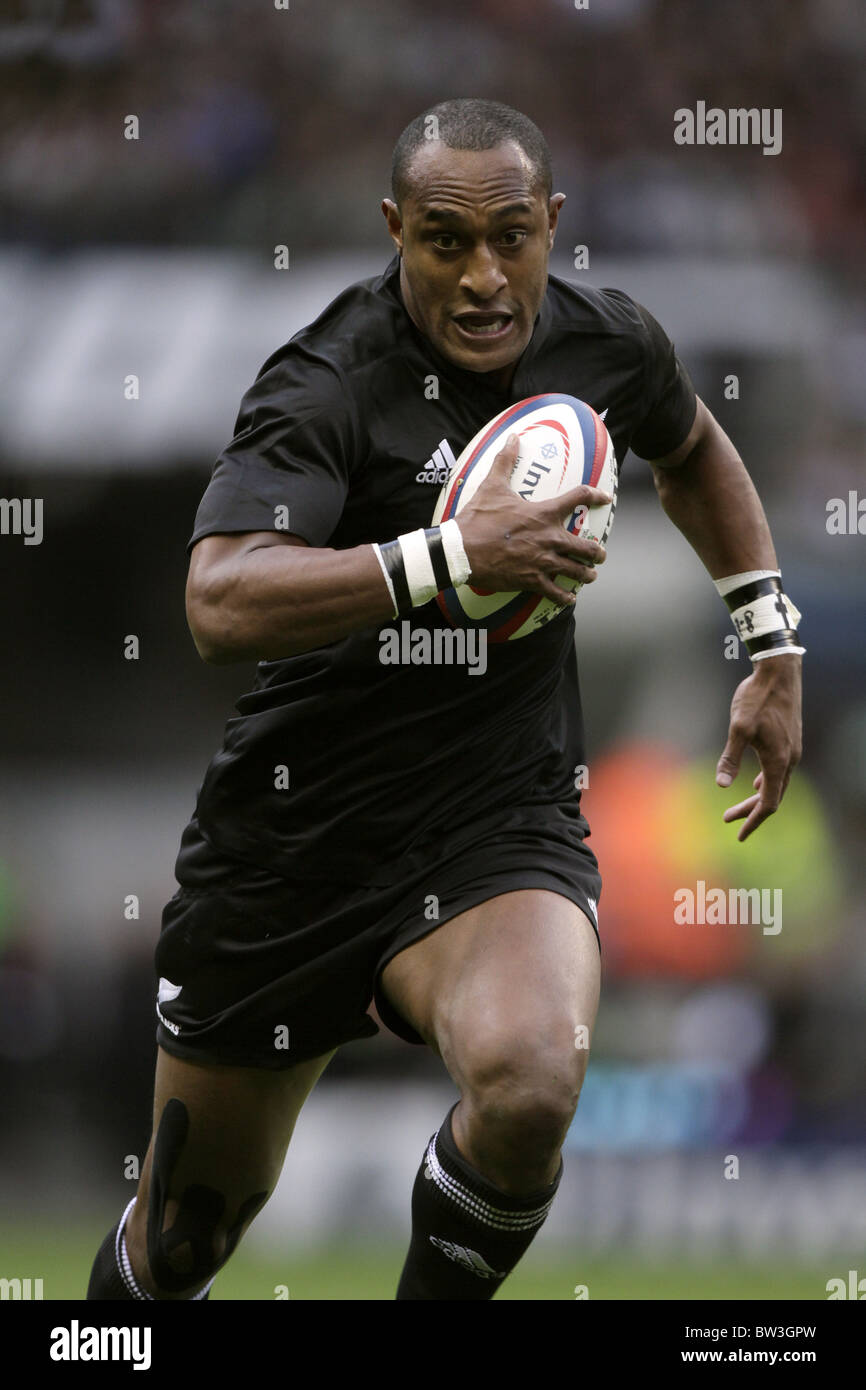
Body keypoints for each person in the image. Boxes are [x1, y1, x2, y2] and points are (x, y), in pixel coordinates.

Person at [86, 98, 802, 1302]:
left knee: (530, 1080)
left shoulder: (605, 344)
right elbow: (219, 599)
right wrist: (448, 555)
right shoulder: (325, 380)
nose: (482, 277)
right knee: (180, 1244)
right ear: (393, 230)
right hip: (296, 838)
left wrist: (767, 642)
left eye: (510, 237)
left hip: (493, 821)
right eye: (443, 241)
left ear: (551, 225)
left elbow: (693, 452)